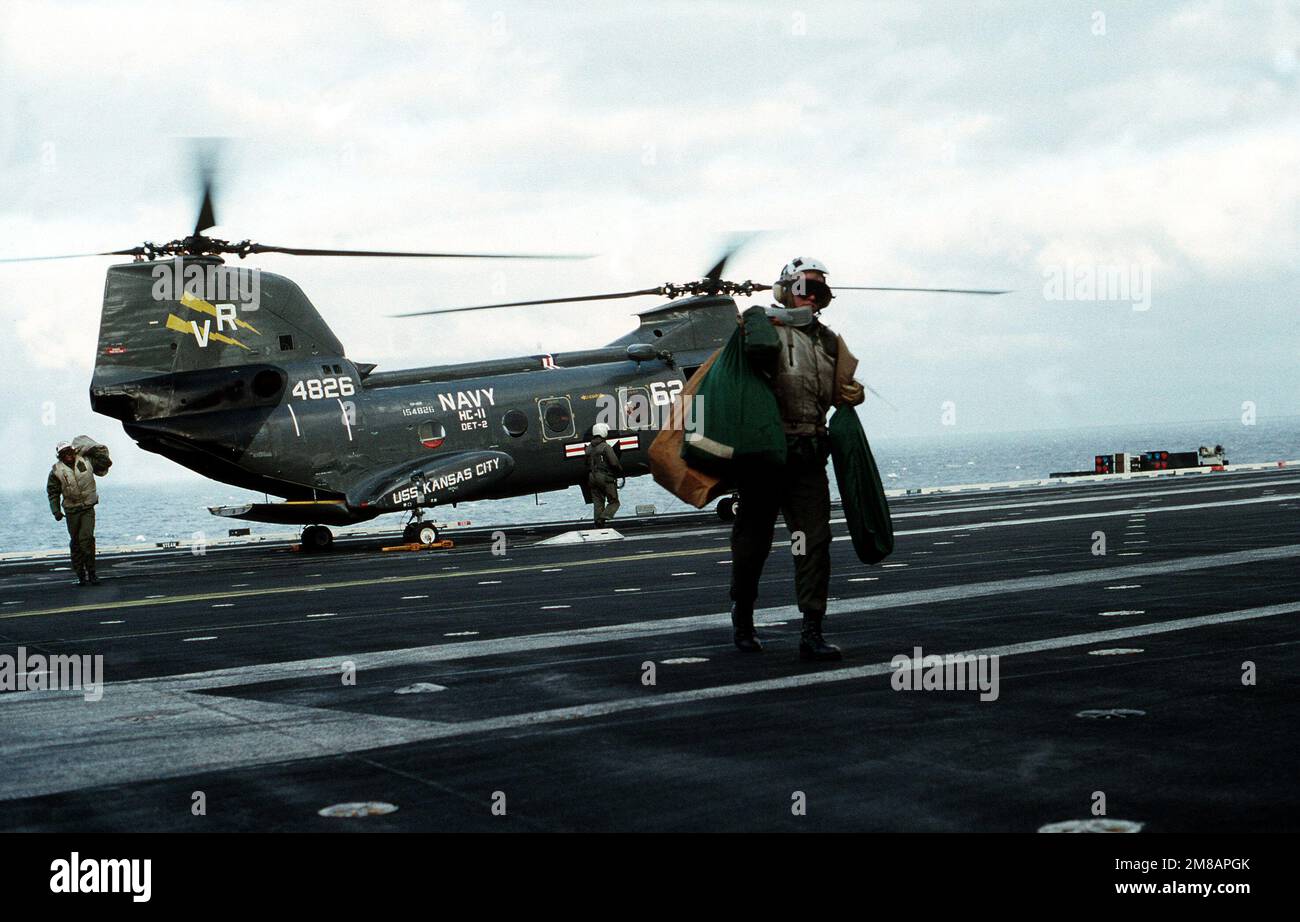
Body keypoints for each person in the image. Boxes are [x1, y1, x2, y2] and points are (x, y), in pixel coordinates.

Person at [729, 257, 865, 660]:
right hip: (766, 456)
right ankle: (743, 618)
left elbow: (843, 390)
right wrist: (755, 319)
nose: (809, 297)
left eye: (817, 290)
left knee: (814, 543)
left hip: (808, 456)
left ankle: (811, 631)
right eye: (803, 287)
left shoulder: (828, 341)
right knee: (753, 543)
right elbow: (746, 362)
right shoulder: (762, 330)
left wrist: (853, 393)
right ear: (785, 289)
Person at [47, 441, 101, 585]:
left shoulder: (87, 461)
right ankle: (81, 575)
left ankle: (92, 573)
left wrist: (94, 448)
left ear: (73, 451)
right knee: (76, 543)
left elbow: (104, 463)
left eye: (69, 451)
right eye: (64, 453)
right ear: (60, 456)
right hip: (72, 511)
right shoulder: (56, 471)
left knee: (87, 539)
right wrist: (56, 511)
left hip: (87, 508)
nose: (68, 455)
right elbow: (53, 493)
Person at [586, 422, 623, 527]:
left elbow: (585, 464)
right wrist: (620, 470)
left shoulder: (588, 448)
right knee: (614, 501)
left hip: (591, 478)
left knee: (598, 501)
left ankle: (598, 523)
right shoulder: (605, 447)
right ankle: (604, 517)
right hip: (605, 477)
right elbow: (614, 462)